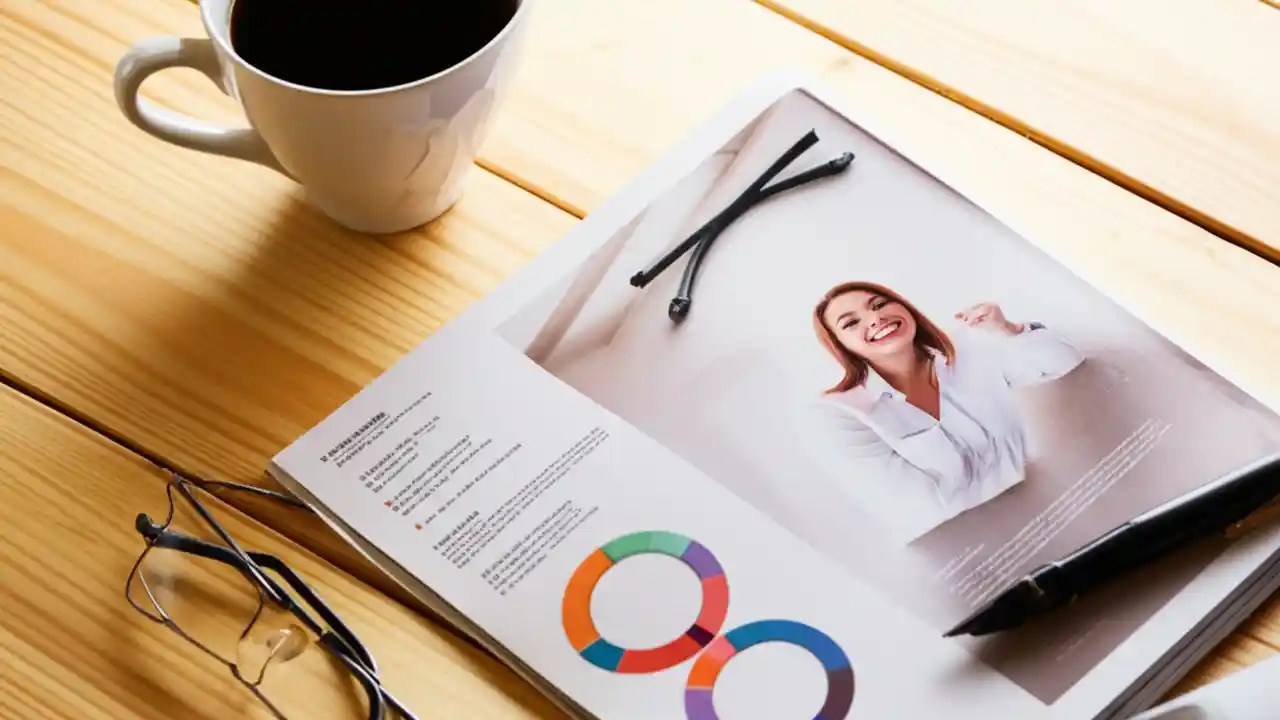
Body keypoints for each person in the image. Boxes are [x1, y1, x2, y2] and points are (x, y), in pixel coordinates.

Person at [808, 281, 1084, 542]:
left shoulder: (971, 347)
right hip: (973, 544)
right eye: (851, 323)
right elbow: (916, 506)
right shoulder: (844, 414)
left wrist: (1006, 329)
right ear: (840, 345)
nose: (874, 319)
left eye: (879, 305)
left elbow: (1066, 362)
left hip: (1049, 505)